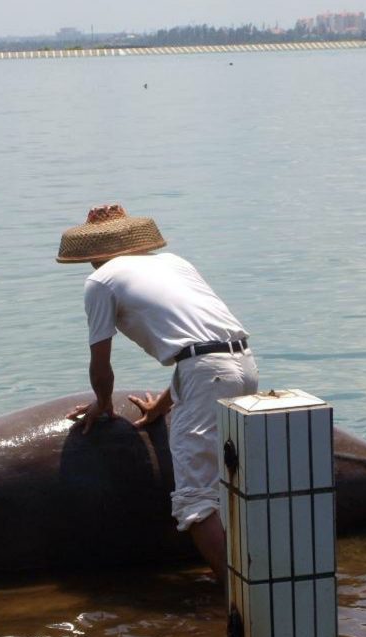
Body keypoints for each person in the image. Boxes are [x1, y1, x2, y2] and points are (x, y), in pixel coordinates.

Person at [58, 204, 259, 579]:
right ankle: (258, 576)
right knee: (232, 480)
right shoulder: (174, 262)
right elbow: (203, 345)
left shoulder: (101, 282)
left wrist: (102, 403)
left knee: (193, 502)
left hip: (206, 374)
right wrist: (165, 404)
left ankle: (240, 598)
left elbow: (101, 363)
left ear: (91, 253)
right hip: (244, 363)